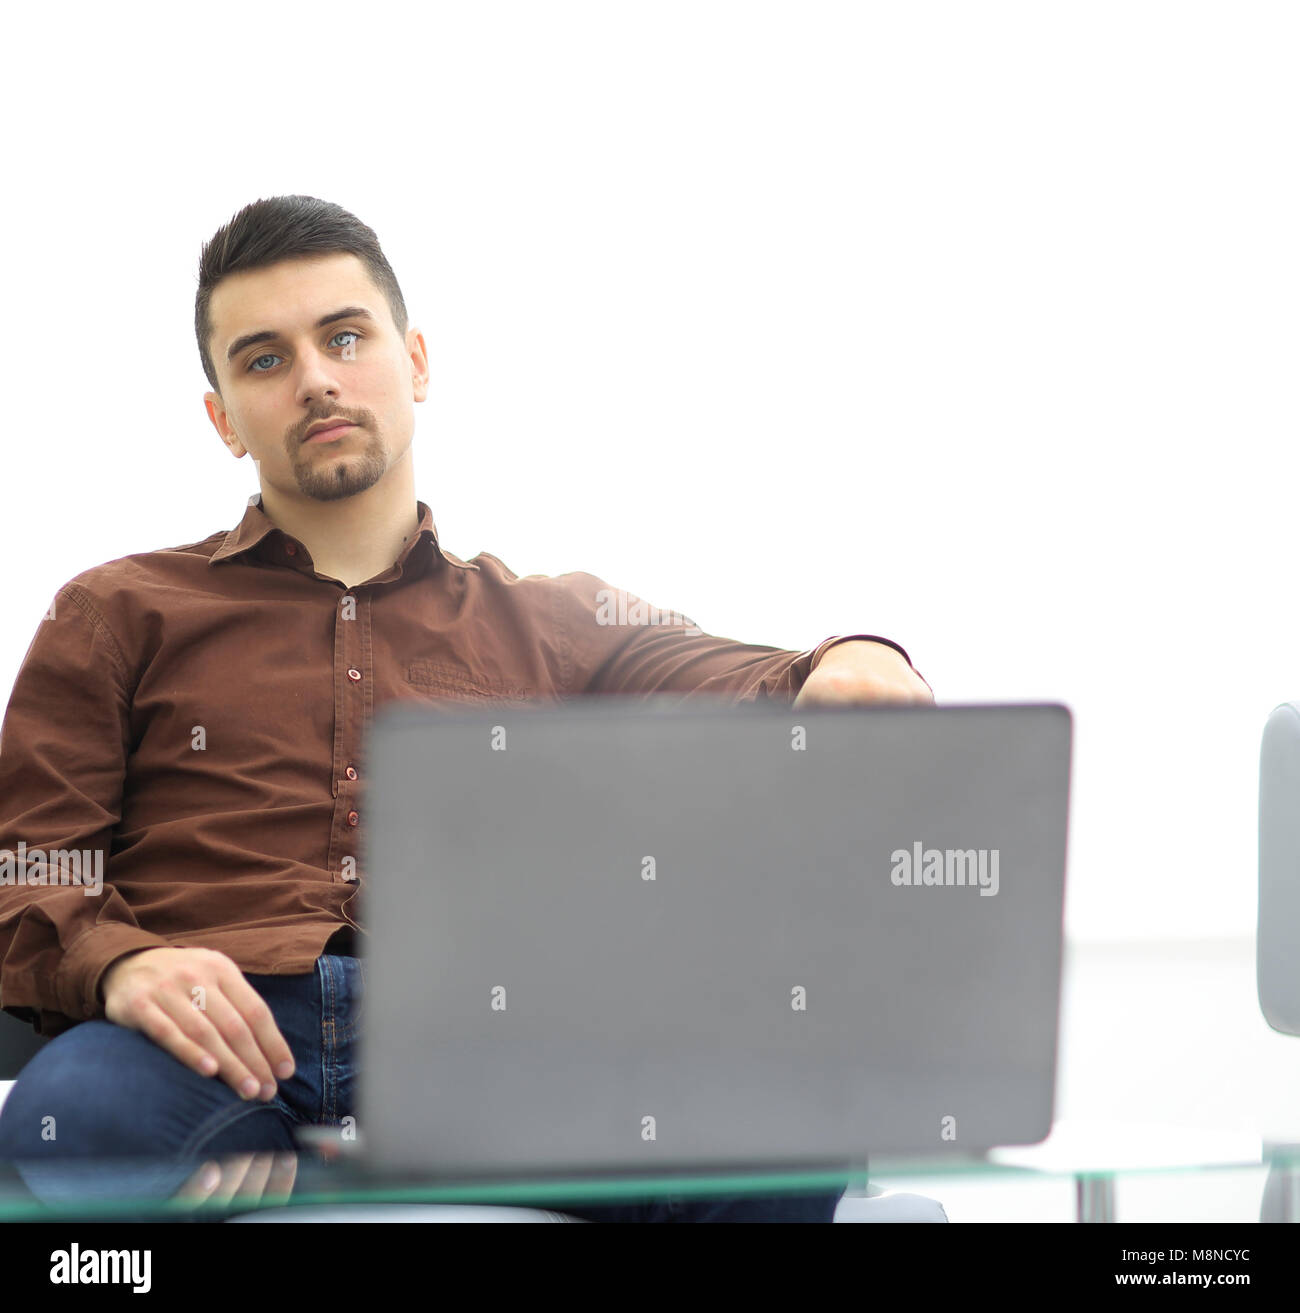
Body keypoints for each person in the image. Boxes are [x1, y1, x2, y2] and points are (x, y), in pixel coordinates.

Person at [0, 194, 933, 1222]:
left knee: (776, 1129)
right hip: (218, 1042)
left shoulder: (552, 617)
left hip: (491, 1046)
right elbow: (28, 864)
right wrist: (122, 964)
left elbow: (761, 675)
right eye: (264, 359)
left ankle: (349, 1176)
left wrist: (856, 657)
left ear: (418, 363)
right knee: (72, 1119)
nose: (316, 377)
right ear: (223, 417)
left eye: (344, 337)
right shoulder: (116, 609)